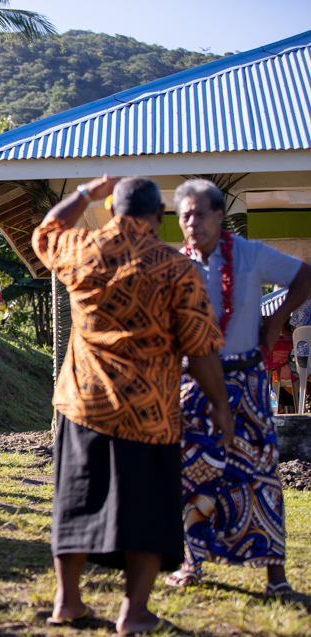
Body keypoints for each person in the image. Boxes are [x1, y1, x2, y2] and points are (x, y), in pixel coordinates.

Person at [32, 174, 233, 634]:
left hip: (85, 404)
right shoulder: (177, 269)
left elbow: (46, 231)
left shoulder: (82, 249)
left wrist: (87, 193)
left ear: (112, 210)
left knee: (75, 502)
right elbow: (201, 350)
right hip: (150, 412)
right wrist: (220, 405)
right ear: (159, 216)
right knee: (148, 512)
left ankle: (67, 602)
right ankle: (135, 613)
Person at [167, 179, 311, 598]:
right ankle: (192, 562)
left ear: (219, 216)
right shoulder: (176, 267)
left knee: (260, 474)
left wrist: (277, 319)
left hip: (246, 382)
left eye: (200, 214)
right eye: (185, 216)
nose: (192, 222)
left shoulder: (249, 254)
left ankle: (275, 577)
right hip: (192, 382)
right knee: (192, 472)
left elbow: (304, 275)